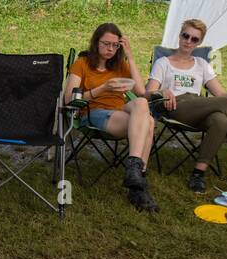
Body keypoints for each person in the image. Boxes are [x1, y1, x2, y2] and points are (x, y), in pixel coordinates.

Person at [145, 18, 227, 193]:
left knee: (220, 119)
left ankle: (198, 173)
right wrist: (163, 92)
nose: (188, 41)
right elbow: (148, 93)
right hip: (176, 107)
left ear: (199, 42)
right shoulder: (163, 62)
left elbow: (222, 96)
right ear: (179, 36)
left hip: (197, 106)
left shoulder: (202, 64)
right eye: (185, 36)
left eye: (194, 39)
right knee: (226, 104)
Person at [65, 23, 158, 211]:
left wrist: (129, 56)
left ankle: (133, 169)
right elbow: (69, 99)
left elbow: (141, 92)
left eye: (115, 45)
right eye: (106, 43)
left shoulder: (119, 65)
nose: (110, 49)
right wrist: (103, 88)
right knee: (148, 122)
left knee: (141, 104)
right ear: (96, 42)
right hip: (92, 113)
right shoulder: (81, 64)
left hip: (120, 111)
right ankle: (138, 184)